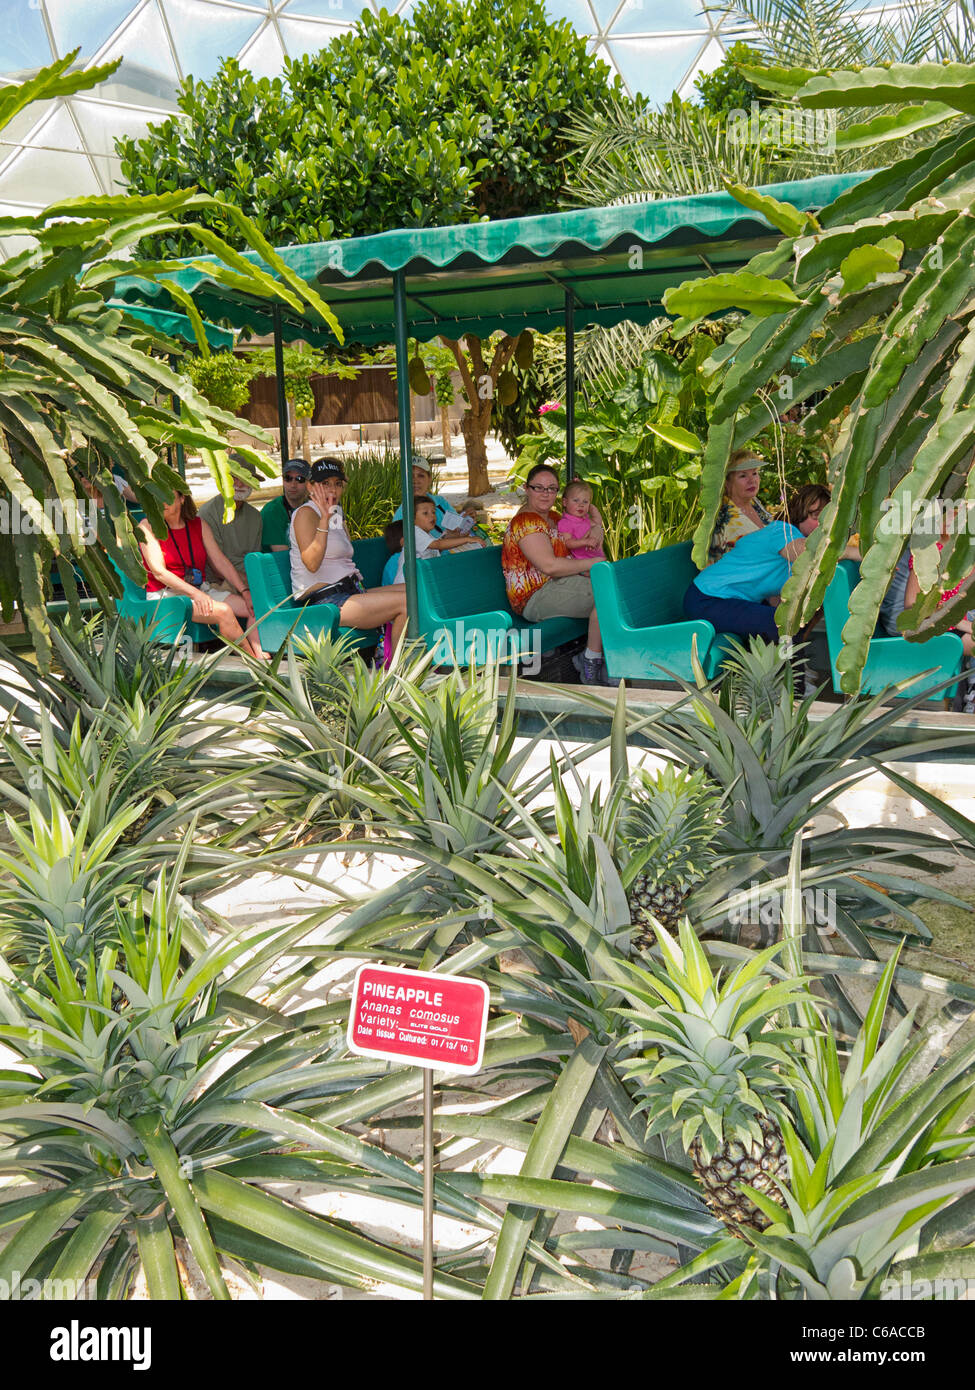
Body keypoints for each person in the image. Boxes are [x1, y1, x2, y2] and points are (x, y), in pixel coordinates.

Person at [685, 484, 857, 644]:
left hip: (735, 600)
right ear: (799, 513)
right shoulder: (782, 531)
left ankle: (791, 670)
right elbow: (806, 553)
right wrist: (853, 552)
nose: (822, 524)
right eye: (815, 516)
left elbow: (776, 596)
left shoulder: (796, 538)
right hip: (708, 599)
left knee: (790, 619)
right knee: (783, 626)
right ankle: (792, 675)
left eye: (827, 518)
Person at [501, 464, 606, 684]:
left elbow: (588, 510)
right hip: (536, 597)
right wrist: (593, 563)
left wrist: (597, 528)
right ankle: (592, 661)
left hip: (562, 584)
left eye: (551, 488)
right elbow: (549, 566)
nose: (546, 493)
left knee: (614, 590)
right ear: (526, 489)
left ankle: (596, 659)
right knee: (609, 596)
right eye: (538, 487)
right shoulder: (525, 521)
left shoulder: (557, 518)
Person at [291, 456, 408, 649]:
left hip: (350, 590)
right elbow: (311, 563)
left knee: (416, 589)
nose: (332, 489)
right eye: (324, 483)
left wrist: (330, 516)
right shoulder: (306, 513)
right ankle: (396, 671)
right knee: (406, 602)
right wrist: (324, 520)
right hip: (325, 601)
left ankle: (407, 656)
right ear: (311, 487)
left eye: (337, 484)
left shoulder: (336, 513)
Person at [138, 490, 267, 661]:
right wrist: (195, 594)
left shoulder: (198, 524)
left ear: (182, 498)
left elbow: (220, 561)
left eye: (167, 496)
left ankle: (261, 655)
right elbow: (159, 572)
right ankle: (253, 664)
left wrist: (244, 591)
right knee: (224, 612)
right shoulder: (147, 526)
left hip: (200, 590)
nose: (161, 502)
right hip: (166, 595)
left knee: (254, 607)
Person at [707, 451, 774, 564]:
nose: (752, 480)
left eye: (754, 473)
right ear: (726, 483)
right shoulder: (722, 517)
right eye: (743, 475)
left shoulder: (753, 502)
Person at [392, 458, 483, 539]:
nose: (415, 481)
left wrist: (466, 520)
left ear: (429, 479)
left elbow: (457, 528)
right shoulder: (404, 512)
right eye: (410, 476)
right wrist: (447, 538)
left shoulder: (440, 502)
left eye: (421, 476)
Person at [198, 477, 262, 581]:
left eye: (245, 479)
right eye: (234, 479)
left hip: (251, 578)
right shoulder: (207, 513)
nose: (240, 485)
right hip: (219, 583)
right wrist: (251, 582)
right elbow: (217, 568)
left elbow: (255, 559)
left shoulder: (255, 515)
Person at [261, 459, 310, 552]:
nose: (293, 485)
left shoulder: (313, 507)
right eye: (288, 478)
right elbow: (282, 555)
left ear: (309, 482)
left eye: (299, 479)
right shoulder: (272, 511)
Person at [557, 479, 606, 560]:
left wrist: (593, 509)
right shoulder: (565, 522)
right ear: (565, 502)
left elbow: (597, 523)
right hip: (582, 560)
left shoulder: (585, 519)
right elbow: (567, 542)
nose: (581, 505)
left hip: (596, 558)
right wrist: (585, 542)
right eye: (576, 500)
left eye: (585, 502)